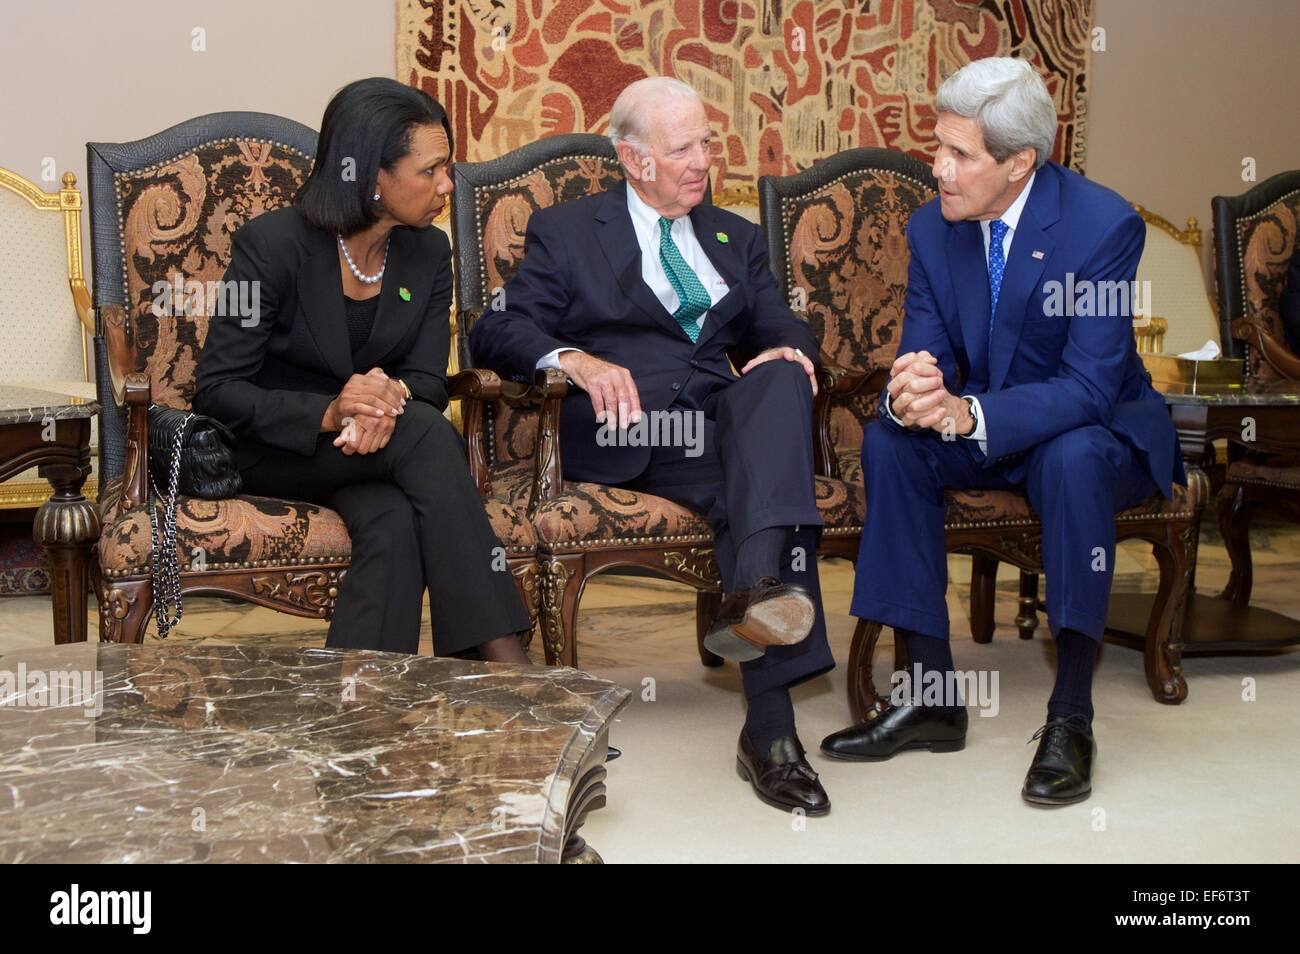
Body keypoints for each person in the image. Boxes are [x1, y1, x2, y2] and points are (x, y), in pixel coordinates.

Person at [820, 57, 1186, 805]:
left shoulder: (1102, 226)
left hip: (1099, 434)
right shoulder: (935, 225)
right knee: (892, 442)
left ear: (1021, 162)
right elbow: (926, 353)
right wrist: (912, 391)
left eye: (959, 154)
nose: (937, 168)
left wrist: (970, 413)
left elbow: (1088, 387)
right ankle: (931, 696)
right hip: (991, 430)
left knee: (1072, 457)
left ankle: (1071, 719)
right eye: (938, 145)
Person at [469, 76, 834, 815]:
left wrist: (790, 352)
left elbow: (783, 324)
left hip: (721, 425)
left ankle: (764, 688)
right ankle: (771, 724)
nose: (705, 160)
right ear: (633, 159)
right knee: (763, 492)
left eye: (708, 142)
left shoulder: (738, 238)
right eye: (684, 148)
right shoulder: (569, 232)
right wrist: (572, 358)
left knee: (782, 385)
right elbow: (495, 328)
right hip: (631, 428)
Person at [193, 77, 531, 662]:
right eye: (431, 171)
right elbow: (218, 391)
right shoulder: (272, 246)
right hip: (278, 449)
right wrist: (329, 411)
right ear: (373, 177)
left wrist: (380, 400)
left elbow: (426, 379)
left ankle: (358, 704)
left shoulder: (428, 251)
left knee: (394, 522)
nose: (447, 185)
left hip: (380, 444)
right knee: (426, 432)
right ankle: (504, 664)